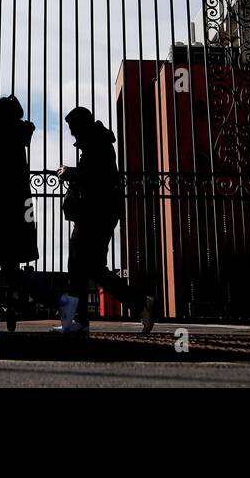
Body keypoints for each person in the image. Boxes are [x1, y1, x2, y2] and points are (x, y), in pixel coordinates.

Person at [0, 95, 77, 341]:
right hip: (13, 214)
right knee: (11, 271)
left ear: (1, 117)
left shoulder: (3, 141)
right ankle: (61, 301)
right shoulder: (15, 139)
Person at [56, 106, 157, 336]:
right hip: (99, 215)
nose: (72, 134)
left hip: (94, 216)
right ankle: (83, 319)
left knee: (82, 266)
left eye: (73, 129)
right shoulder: (98, 142)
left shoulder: (95, 144)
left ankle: (137, 304)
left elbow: (93, 177)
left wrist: (69, 172)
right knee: (86, 267)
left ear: (81, 126)